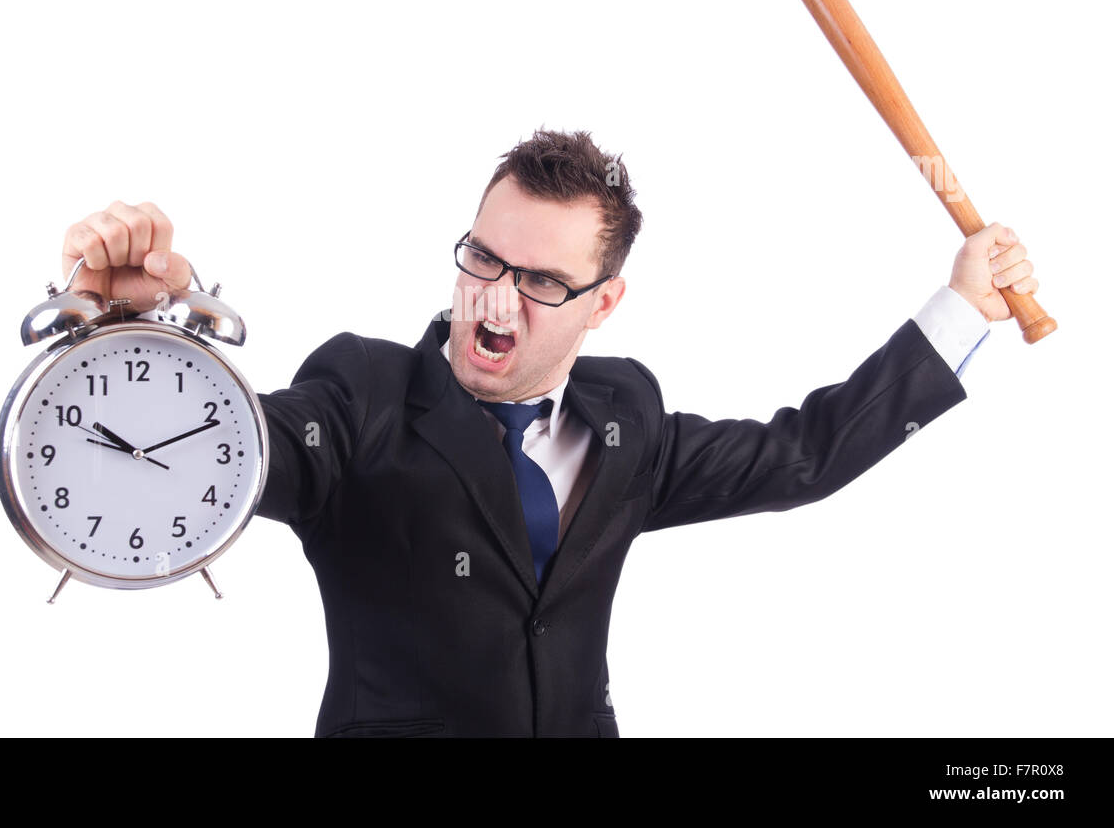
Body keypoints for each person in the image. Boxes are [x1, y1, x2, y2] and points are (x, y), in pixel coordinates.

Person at [59, 129, 1039, 737]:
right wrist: (151, 328)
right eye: (483, 258)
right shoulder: (360, 398)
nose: (495, 298)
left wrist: (958, 308)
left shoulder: (628, 423)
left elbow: (804, 455)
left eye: (540, 282)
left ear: (603, 303)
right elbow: (230, 456)